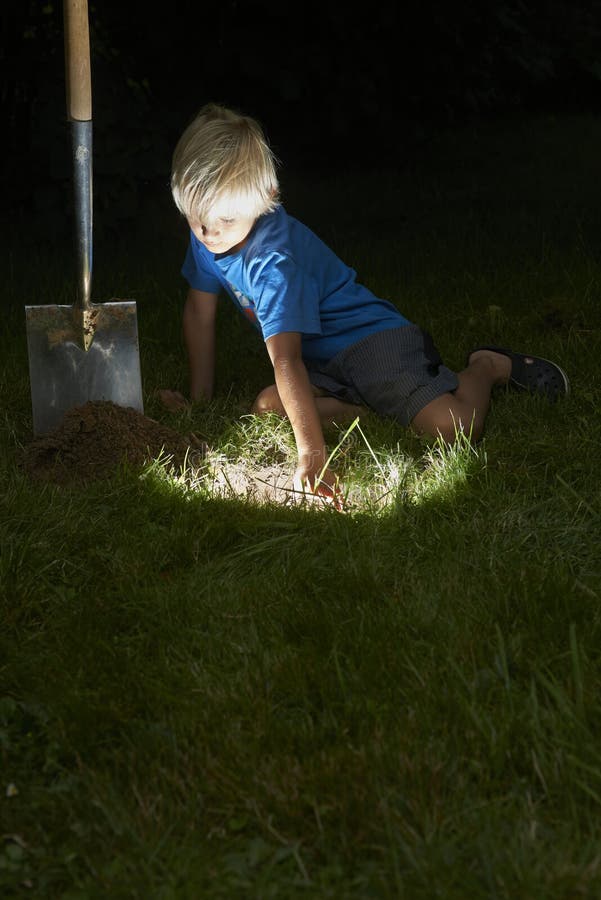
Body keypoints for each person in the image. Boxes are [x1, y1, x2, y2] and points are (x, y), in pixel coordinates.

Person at [159, 103, 569, 507]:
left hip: (372, 343)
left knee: (454, 427)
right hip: (321, 361)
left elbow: (285, 360)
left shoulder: (274, 263)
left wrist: (312, 457)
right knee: (267, 407)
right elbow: (200, 311)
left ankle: (488, 364)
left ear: (265, 197)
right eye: (197, 217)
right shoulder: (210, 232)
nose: (209, 233)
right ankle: (372, 407)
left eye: (224, 221)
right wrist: (200, 401)